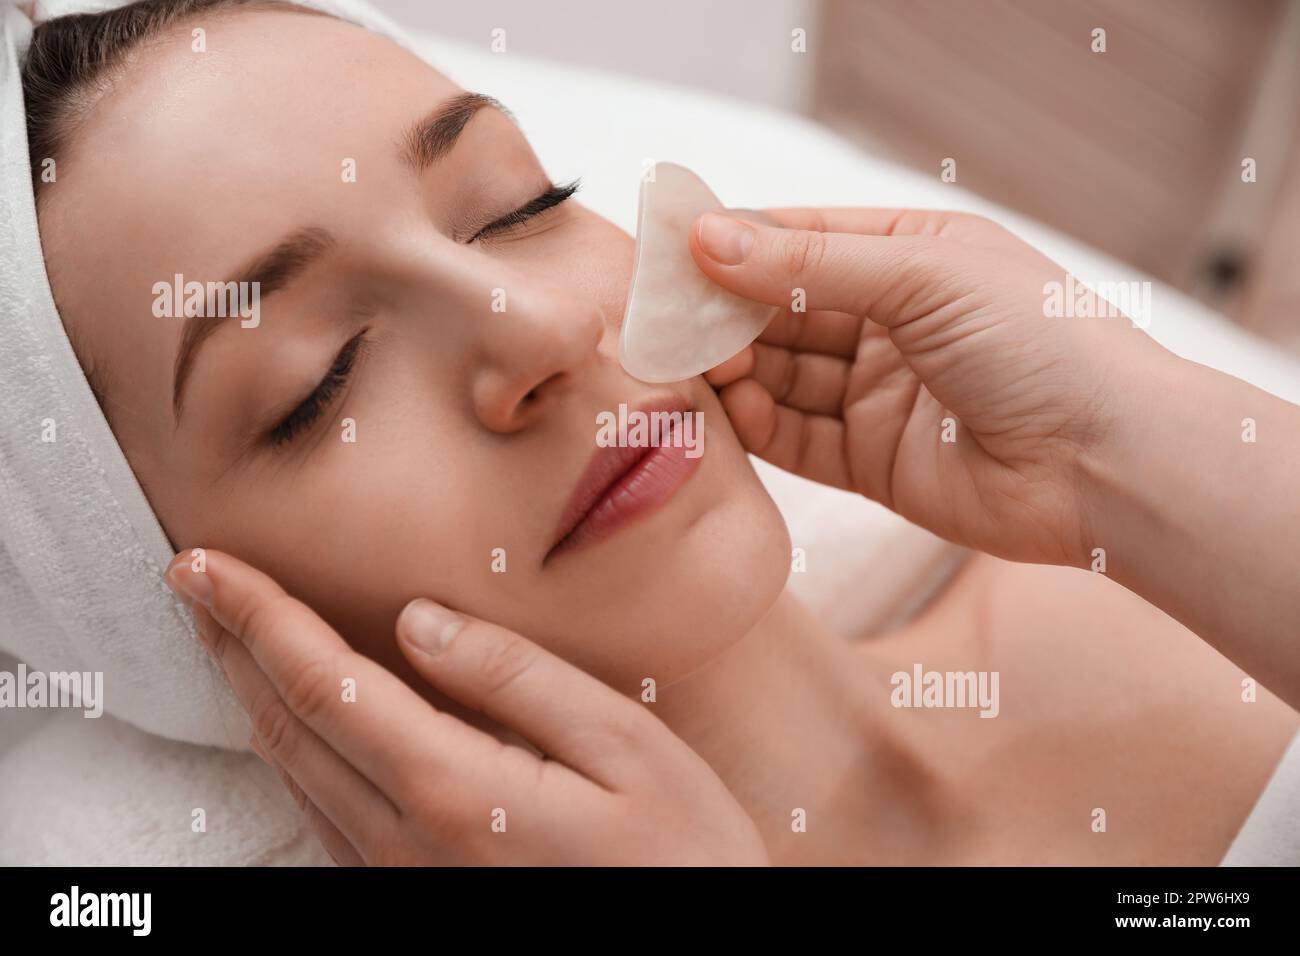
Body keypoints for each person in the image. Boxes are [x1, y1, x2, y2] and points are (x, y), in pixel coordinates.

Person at [17, 0, 1298, 865]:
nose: (542, 332)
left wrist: (1129, 452)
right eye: (321, 381)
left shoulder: (1149, 555)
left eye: (519, 205)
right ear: (176, 623)